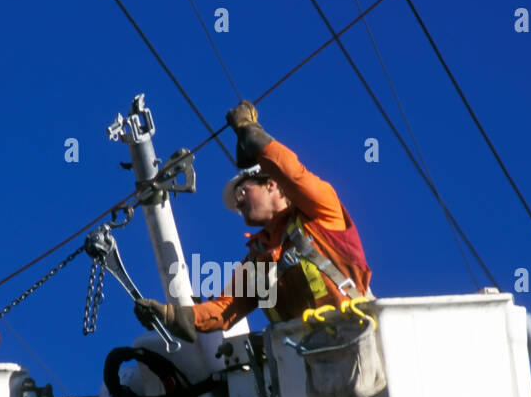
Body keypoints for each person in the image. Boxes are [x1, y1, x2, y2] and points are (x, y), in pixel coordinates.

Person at [134, 103, 372, 341]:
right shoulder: (258, 260)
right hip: (308, 366)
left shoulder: (322, 214)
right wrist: (173, 316)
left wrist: (250, 131)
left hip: (357, 340)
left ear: (271, 184)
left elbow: (291, 173)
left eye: (242, 191)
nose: (238, 202)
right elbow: (223, 309)